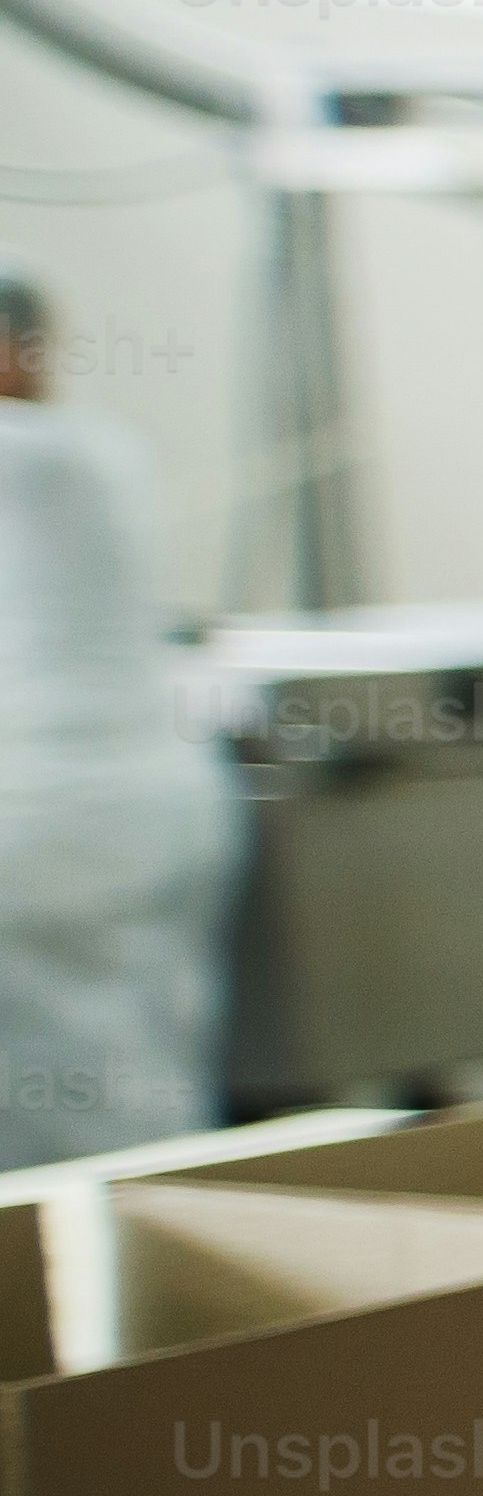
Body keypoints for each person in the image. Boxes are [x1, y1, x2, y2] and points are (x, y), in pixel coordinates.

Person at [0, 269, 235, 1169]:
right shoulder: (96, 449)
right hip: (156, 815)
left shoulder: (29, 457)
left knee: (57, 1124)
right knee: (149, 1075)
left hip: (45, 837)